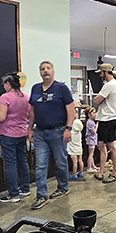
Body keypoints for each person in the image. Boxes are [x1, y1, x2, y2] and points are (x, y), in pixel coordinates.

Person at [28, 61, 75, 209]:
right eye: (42, 69)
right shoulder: (35, 88)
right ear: (40, 72)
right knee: (40, 165)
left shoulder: (61, 88)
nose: (45, 71)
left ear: (53, 71)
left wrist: (68, 128)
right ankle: (41, 195)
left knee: (60, 162)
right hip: (40, 132)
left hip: (58, 131)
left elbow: (71, 110)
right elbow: (32, 111)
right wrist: (30, 128)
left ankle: (63, 187)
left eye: (48, 68)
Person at [0, 72, 31, 203]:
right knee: (22, 161)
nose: (4, 87)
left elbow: (1, 117)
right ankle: (25, 189)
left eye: (4, 84)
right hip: (22, 133)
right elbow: (28, 116)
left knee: (10, 164)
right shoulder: (26, 97)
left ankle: (13, 194)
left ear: (8, 83)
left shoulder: (5, 97)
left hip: (8, 134)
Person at [93, 63, 116, 183]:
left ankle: (115, 173)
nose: (100, 75)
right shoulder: (112, 84)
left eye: (101, 73)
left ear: (106, 72)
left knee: (112, 146)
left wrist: (97, 97)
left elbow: (97, 100)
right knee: (101, 146)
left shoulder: (110, 85)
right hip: (105, 119)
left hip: (109, 119)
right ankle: (100, 173)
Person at [67, 108, 85, 181]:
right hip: (79, 147)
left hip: (72, 148)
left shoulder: (71, 132)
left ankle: (74, 174)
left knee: (74, 162)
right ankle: (81, 172)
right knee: (80, 160)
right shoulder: (79, 132)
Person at [85, 107, 99, 173]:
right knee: (91, 154)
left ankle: (93, 165)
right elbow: (94, 131)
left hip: (92, 139)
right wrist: (97, 125)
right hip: (91, 140)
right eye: (93, 113)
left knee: (92, 154)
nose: (95, 114)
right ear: (89, 114)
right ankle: (89, 167)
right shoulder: (90, 122)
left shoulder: (90, 122)